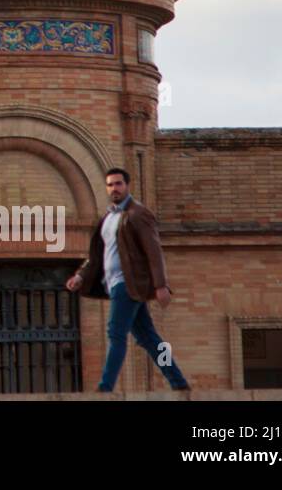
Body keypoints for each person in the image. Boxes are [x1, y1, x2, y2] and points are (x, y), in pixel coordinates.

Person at [65, 168, 190, 392]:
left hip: (128, 283)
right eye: (110, 185)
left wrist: (161, 285)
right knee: (149, 338)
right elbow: (97, 256)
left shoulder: (138, 213)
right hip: (114, 284)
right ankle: (178, 382)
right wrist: (80, 275)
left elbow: (154, 250)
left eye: (119, 184)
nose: (115, 188)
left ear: (127, 185)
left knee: (115, 333)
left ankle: (105, 387)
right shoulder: (108, 218)